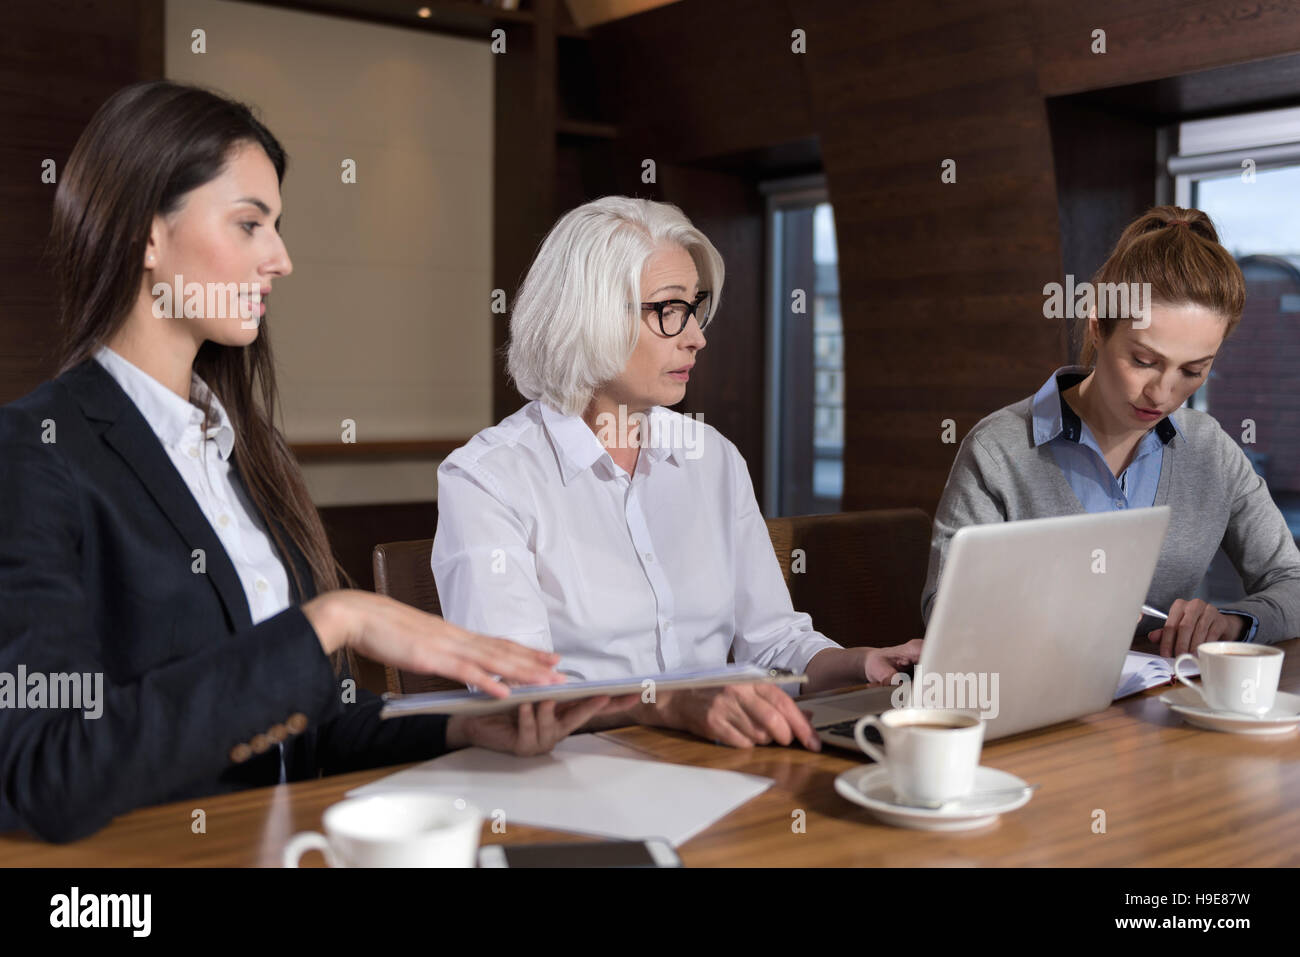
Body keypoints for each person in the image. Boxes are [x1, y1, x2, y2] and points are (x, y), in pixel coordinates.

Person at [0, 81, 625, 844]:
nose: (282, 259)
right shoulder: (36, 453)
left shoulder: (234, 448)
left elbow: (302, 725)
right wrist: (334, 619)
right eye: (249, 224)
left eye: (277, 226)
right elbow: (42, 776)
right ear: (148, 235)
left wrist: (464, 727)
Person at [431, 196, 923, 751]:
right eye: (669, 310)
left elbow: (773, 642)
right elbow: (516, 695)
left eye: (695, 308)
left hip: (720, 765)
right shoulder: (489, 479)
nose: (696, 336)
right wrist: (664, 702)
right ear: (589, 316)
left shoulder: (711, 457)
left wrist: (863, 663)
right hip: (571, 777)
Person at [921, 205, 1300, 656]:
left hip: (1161, 708)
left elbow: (1291, 582)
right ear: (1098, 325)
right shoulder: (999, 451)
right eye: (1144, 361)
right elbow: (946, 610)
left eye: (1193, 370)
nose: (1162, 393)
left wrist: (1232, 623)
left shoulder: (1210, 452)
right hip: (1036, 706)